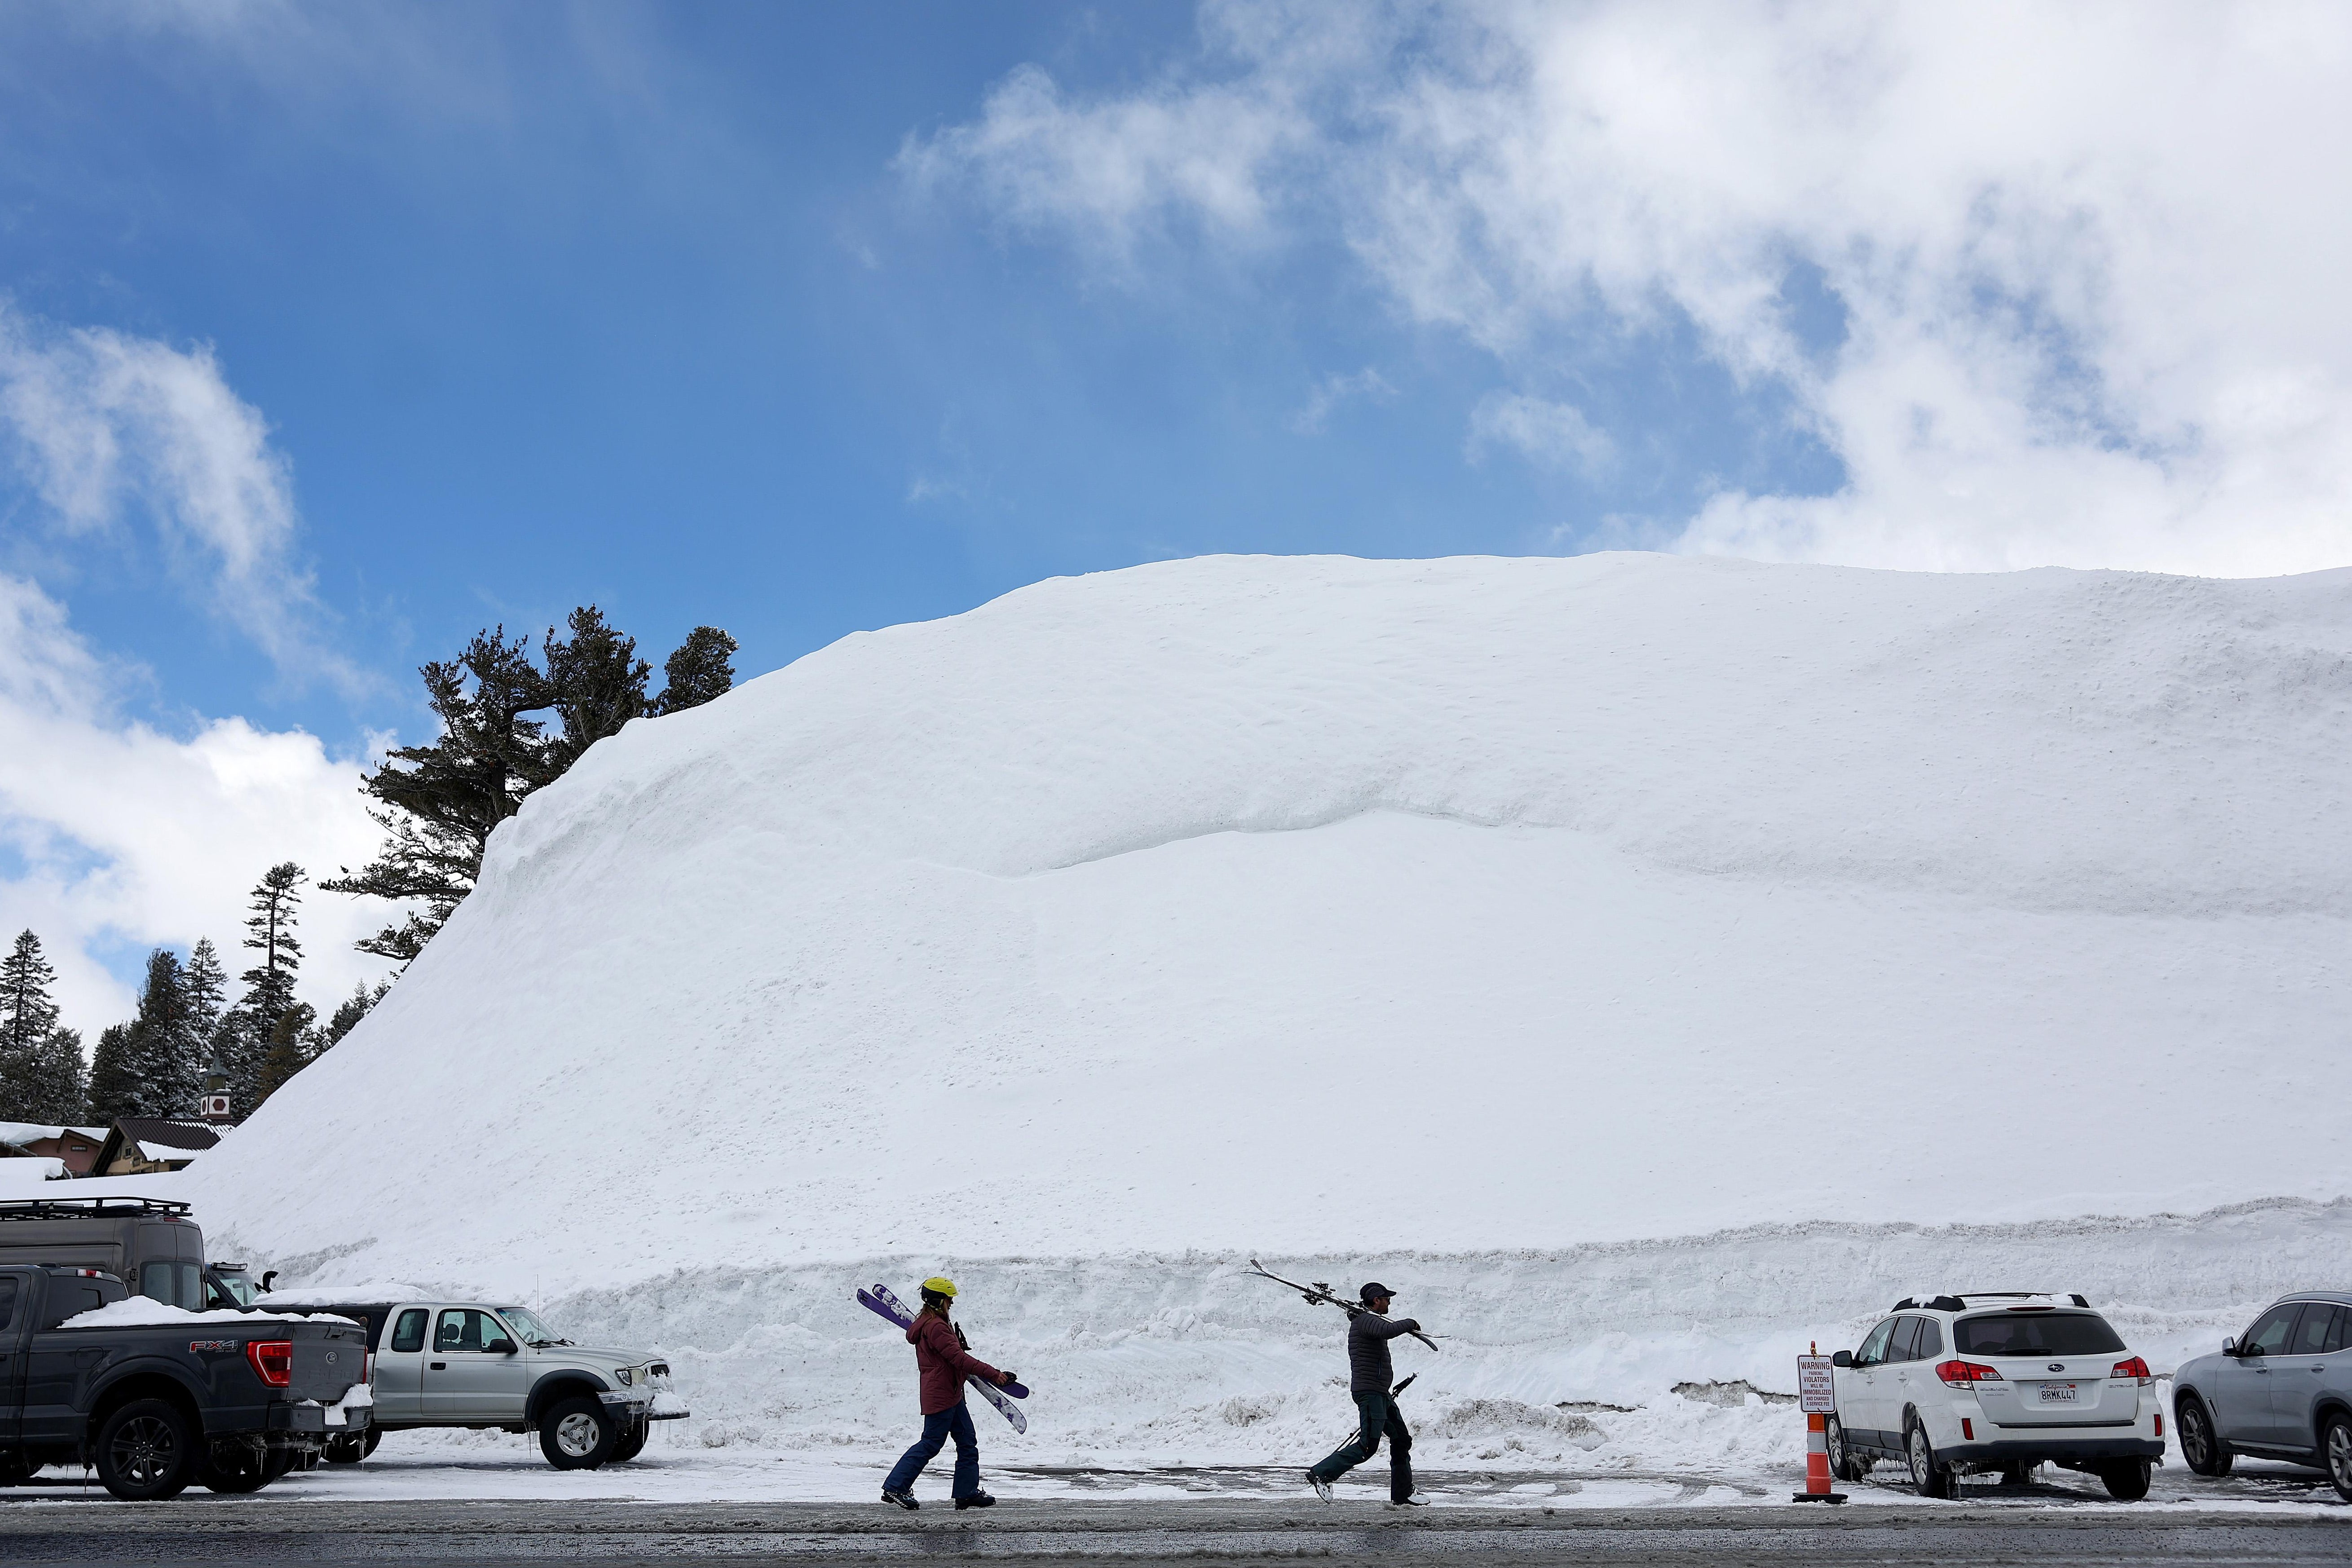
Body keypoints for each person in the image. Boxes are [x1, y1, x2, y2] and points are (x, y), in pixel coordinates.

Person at [881, 1276, 1018, 1511]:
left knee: (967, 1441)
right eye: (949, 1299)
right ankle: (896, 1487)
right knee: (931, 1444)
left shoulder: (932, 1322)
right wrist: (994, 1375)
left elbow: (952, 1356)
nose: (951, 1303)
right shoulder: (935, 1327)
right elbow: (959, 1359)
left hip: (952, 1393)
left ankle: (966, 1493)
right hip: (942, 1394)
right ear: (938, 1301)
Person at [1306, 1282, 1423, 1506]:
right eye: (1386, 1298)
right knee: (1368, 1446)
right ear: (1376, 1300)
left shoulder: (1367, 1319)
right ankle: (1322, 1474)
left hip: (1380, 1394)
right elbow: (1388, 1331)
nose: (1390, 1301)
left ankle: (1403, 1493)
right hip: (1370, 1394)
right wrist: (1410, 1323)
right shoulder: (1366, 1321)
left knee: (1401, 1439)